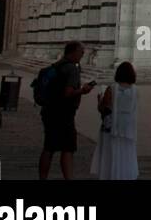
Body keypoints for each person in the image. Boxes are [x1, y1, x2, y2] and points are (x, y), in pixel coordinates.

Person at [38, 41, 95, 180]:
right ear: (73, 52)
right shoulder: (72, 69)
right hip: (64, 113)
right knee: (68, 148)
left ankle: (42, 178)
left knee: (49, 147)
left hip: (49, 110)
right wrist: (83, 90)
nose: (82, 55)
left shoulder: (57, 65)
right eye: (81, 52)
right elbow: (68, 93)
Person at [90, 62, 139, 180]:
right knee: (126, 154)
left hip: (111, 125)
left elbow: (103, 108)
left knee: (110, 153)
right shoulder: (136, 90)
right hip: (127, 127)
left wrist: (99, 100)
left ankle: (110, 175)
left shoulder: (112, 88)